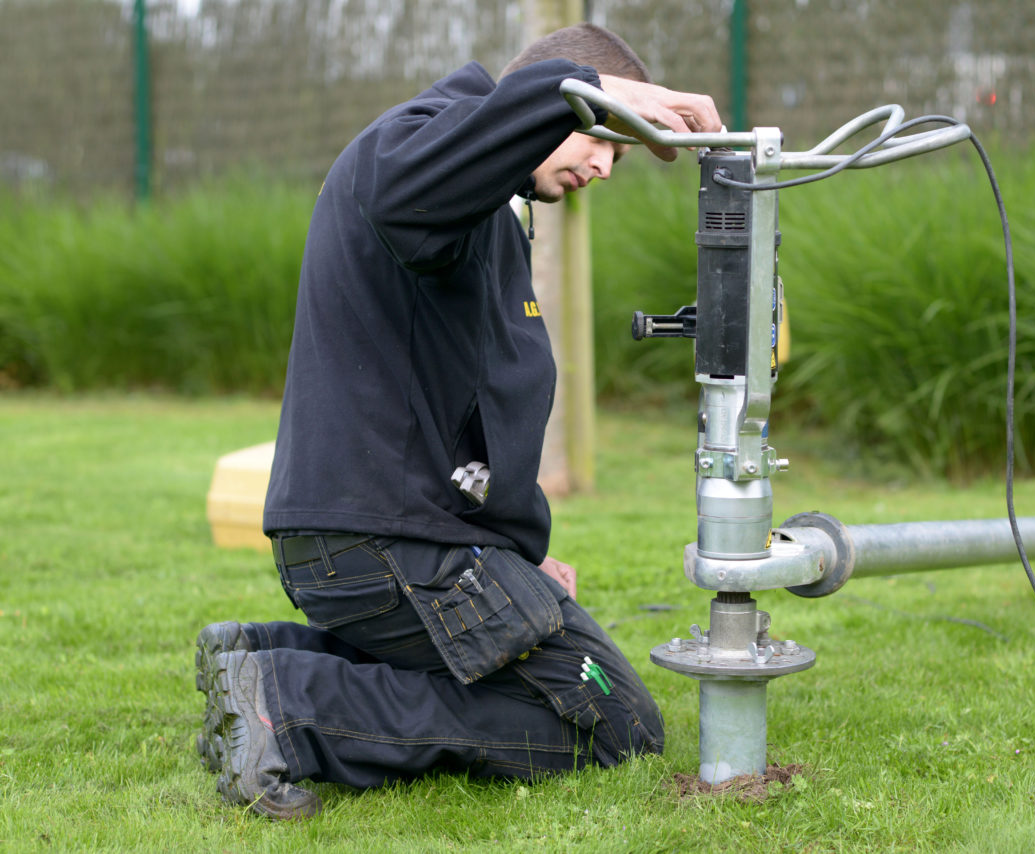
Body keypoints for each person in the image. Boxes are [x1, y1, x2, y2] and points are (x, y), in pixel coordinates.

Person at [193, 23, 722, 820]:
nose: (606, 165)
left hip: (393, 541)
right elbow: (420, 184)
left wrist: (517, 558)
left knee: (584, 686)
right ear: (547, 100)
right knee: (612, 725)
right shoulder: (414, 151)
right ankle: (288, 704)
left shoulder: (481, 216)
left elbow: (468, 412)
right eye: (602, 138)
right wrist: (590, 92)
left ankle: (258, 659)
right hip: (385, 547)